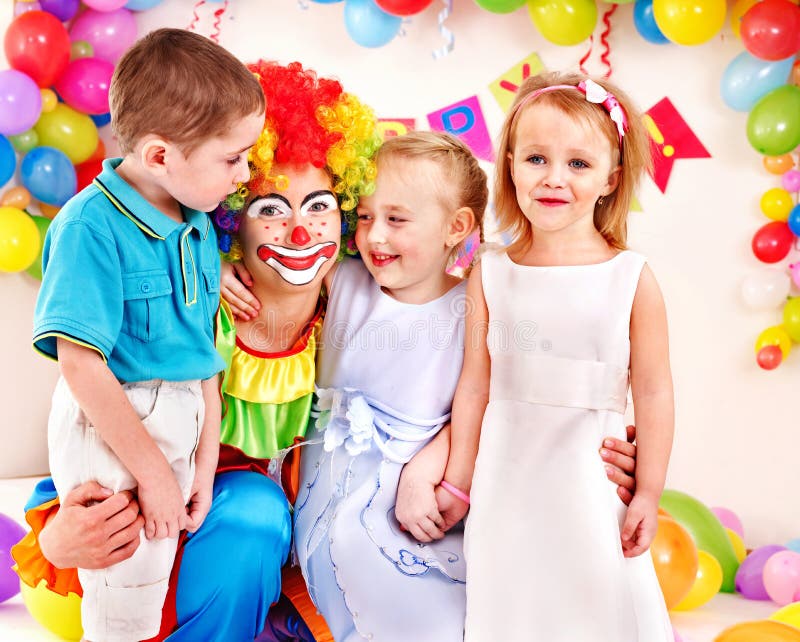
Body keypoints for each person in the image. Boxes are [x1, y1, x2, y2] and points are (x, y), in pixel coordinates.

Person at [13, 58, 378, 642]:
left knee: (258, 515)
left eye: (320, 205)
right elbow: (96, 407)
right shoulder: (189, 266)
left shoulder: (358, 303)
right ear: (233, 219)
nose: (302, 231)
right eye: (270, 208)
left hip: (249, 538)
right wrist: (61, 540)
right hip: (140, 493)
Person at [24, 27, 264, 642]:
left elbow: (202, 362)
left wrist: (201, 469)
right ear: (160, 156)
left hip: (178, 423)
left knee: (152, 578)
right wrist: (156, 473)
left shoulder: (197, 222)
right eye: (233, 158)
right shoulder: (88, 227)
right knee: (125, 593)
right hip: (115, 420)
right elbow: (81, 368)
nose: (245, 174)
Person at [439, 71, 675, 641]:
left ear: (610, 180)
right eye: (537, 158)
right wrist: (458, 480)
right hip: (507, 471)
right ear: (511, 165)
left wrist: (648, 491)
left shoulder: (630, 277)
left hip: (588, 472)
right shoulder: (491, 271)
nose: (553, 179)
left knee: (594, 596)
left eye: (578, 164)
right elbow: (474, 385)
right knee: (512, 600)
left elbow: (654, 389)